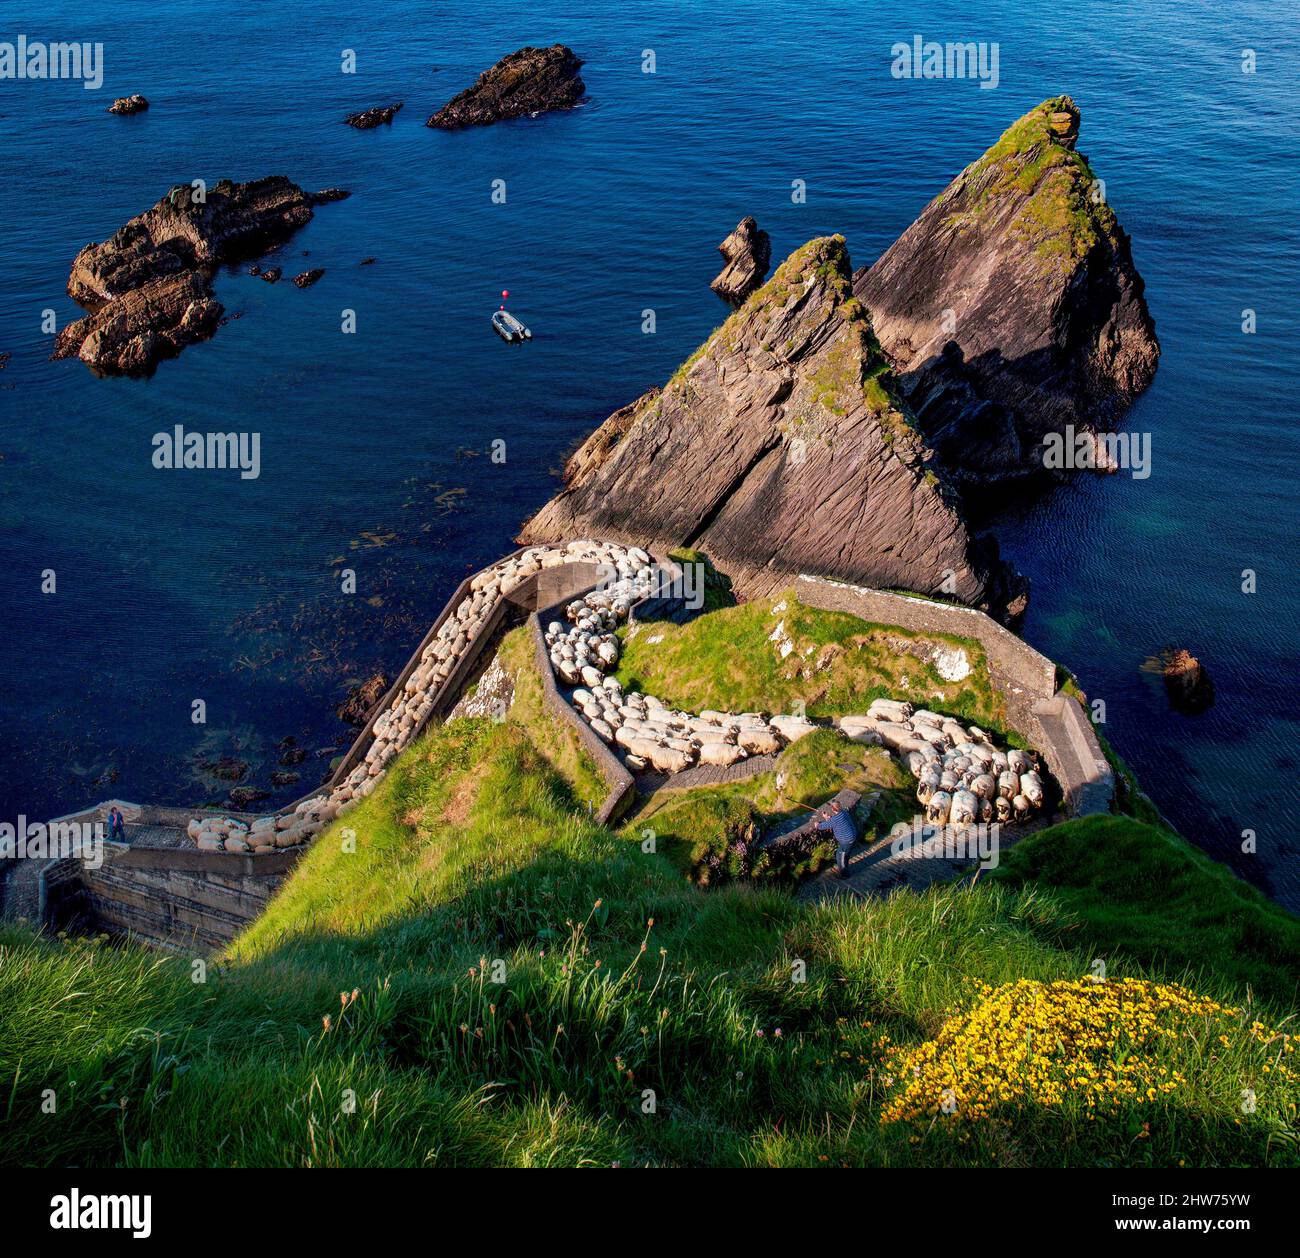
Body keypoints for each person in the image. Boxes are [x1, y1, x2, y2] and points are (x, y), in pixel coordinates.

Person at [815, 799, 858, 877]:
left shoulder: (835, 820)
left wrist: (817, 824)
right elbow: (834, 822)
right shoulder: (843, 812)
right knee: (846, 855)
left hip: (846, 841)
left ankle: (844, 874)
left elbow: (821, 826)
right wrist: (827, 818)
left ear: (833, 809)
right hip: (852, 837)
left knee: (840, 857)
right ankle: (845, 867)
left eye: (831, 806)